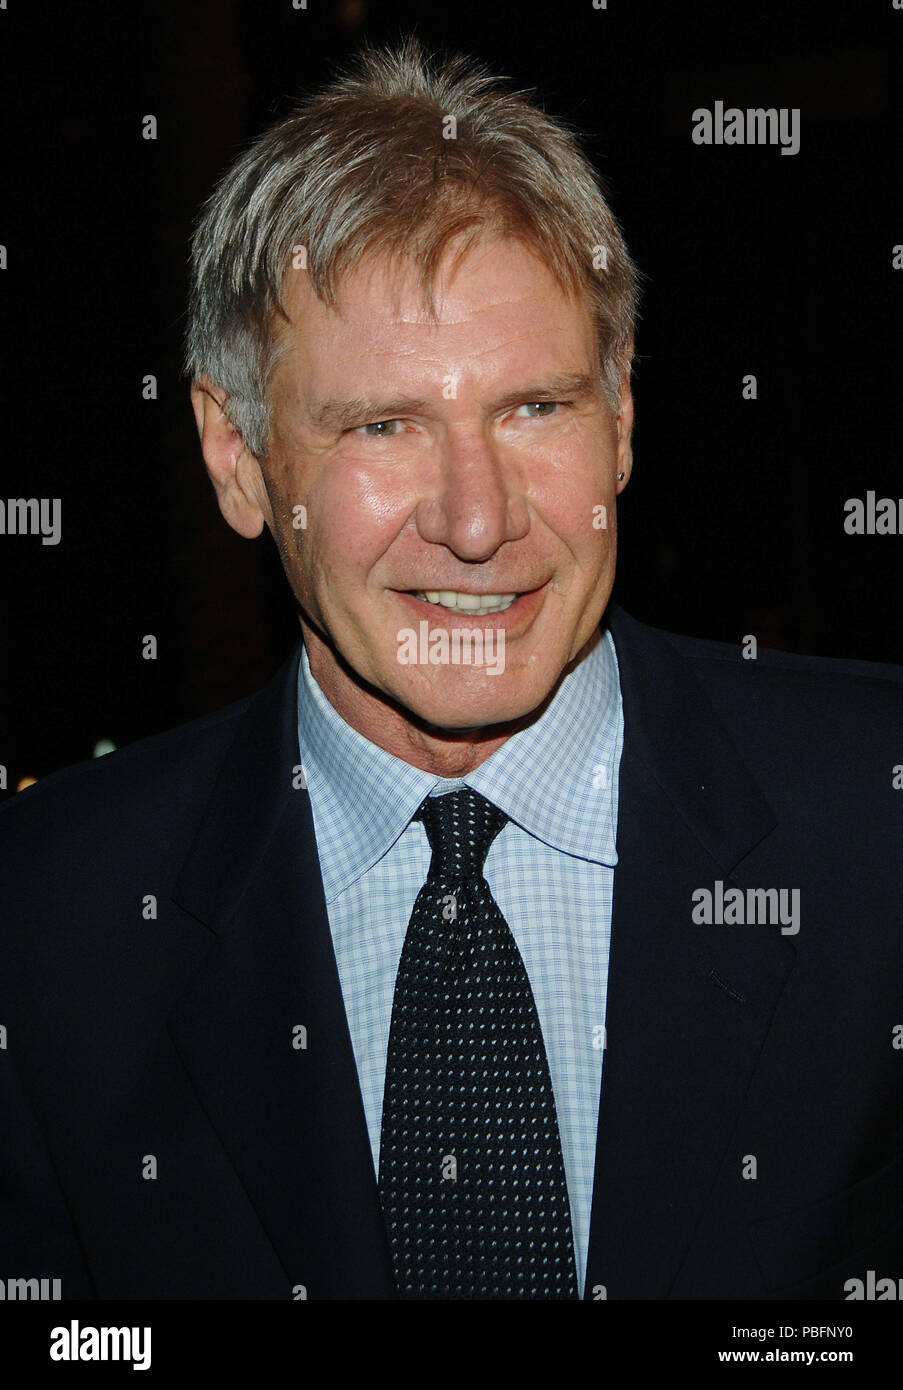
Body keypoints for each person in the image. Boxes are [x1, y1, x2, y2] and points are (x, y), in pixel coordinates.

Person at [2, 36, 902, 1302]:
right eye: (384, 425)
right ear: (238, 459)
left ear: (625, 417)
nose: (478, 521)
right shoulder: (51, 919)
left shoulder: (878, 819)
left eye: (536, 407)